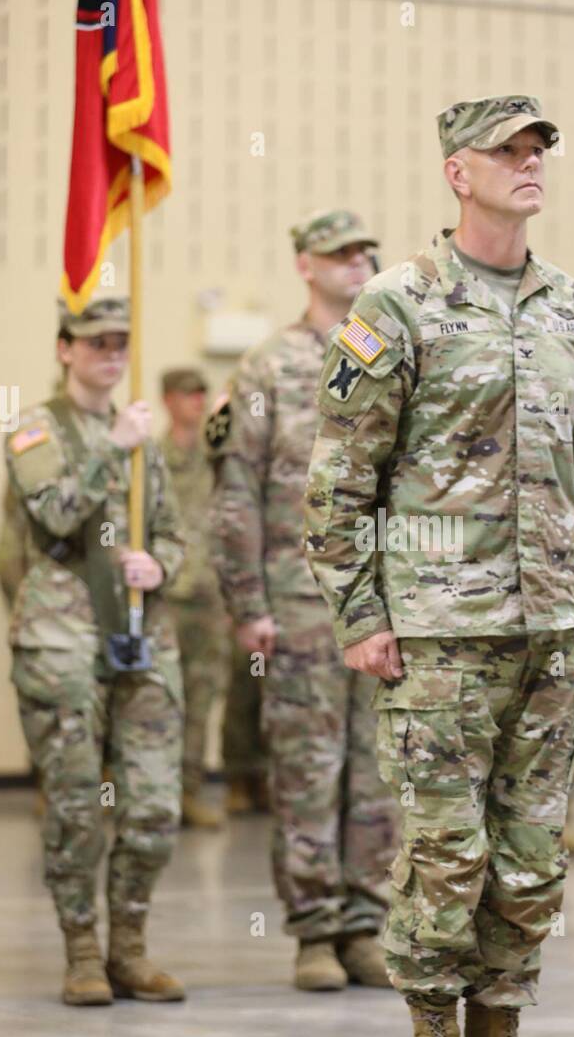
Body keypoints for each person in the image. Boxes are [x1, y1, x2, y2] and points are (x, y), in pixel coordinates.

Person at [304, 96, 574, 1037]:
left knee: (531, 857)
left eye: (538, 151)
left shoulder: (571, 305)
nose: (528, 165)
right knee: (447, 849)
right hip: (438, 628)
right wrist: (358, 610)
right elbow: (340, 475)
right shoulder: (398, 304)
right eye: (507, 151)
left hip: (549, 628)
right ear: (456, 171)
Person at [209, 210, 400, 991]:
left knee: (377, 772)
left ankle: (365, 922)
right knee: (307, 770)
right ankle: (314, 930)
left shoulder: (390, 355)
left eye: (364, 253)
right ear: (305, 266)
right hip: (296, 603)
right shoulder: (266, 367)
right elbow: (237, 495)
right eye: (339, 255)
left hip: (383, 603)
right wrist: (247, 600)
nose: (356, 266)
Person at [5, 296, 186, 1006]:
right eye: (95, 342)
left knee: (151, 807)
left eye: (120, 343)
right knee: (79, 804)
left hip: (141, 636)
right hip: (63, 635)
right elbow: (51, 510)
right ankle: (82, 952)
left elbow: (172, 529)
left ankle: (130, 949)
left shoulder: (143, 438)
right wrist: (113, 443)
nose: (111, 354)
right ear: (64, 350)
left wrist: (160, 565)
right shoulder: (33, 428)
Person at [160, 367, 229, 829]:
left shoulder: (214, 452)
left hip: (209, 596)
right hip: (166, 596)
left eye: (201, 394)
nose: (196, 402)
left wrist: (230, 410)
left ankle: (187, 791)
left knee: (201, 699)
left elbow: (239, 440)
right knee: (161, 700)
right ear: (168, 400)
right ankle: (155, 798)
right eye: (188, 395)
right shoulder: (153, 455)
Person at [221, 639, 269, 816]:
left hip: (286, 632)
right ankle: (239, 779)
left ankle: (263, 778)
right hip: (253, 640)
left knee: (268, 705)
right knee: (245, 698)